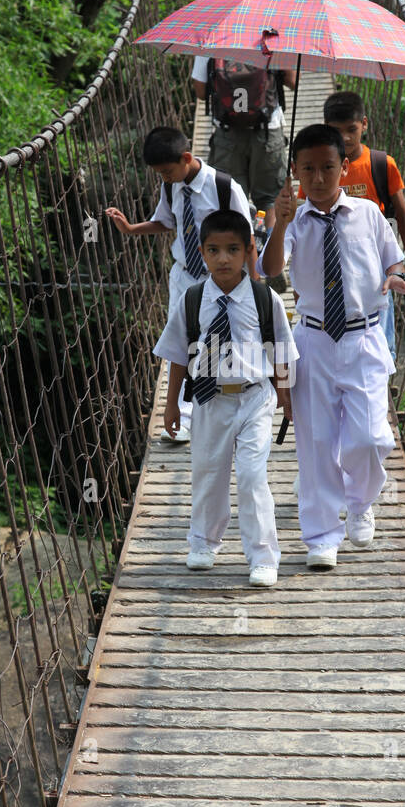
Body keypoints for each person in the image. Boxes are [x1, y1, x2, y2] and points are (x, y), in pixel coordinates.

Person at [260, 124, 405, 569]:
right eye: (307, 169)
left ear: (344, 167)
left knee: (372, 438)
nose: (317, 178)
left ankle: (359, 501)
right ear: (294, 170)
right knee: (315, 443)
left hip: (364, 338)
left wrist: (396, 279)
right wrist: (279, 223)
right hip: (312, 340)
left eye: (327, 168)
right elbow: (271, 270)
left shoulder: (369, 213)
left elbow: (390, 262)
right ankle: (321, 537)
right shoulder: (289, 217)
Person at [154, 208, 297, 587]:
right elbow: (177, 353)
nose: (223, 258)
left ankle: (263, 556)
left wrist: (286, 398)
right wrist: (172, 405)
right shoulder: (192, 299)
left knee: (251, 476)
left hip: (254, 399)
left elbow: (282, 351)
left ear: (250, 250)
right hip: (207, 399)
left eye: (233, 249)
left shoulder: (267, 299)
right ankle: (203, 541)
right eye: (214, 250)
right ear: (201, 252)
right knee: (208, 474)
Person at [106, 126, 254, 445]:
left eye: (167, 171)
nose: (163, 178)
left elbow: (248, 239)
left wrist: (251, 286)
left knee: (216, 345)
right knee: (182, 345)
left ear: (186, 158)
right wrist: (132, 229)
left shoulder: (224, 188)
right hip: (185, 275)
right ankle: (184, 417)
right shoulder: (172, 185)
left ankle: (225, 412)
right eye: (159, 173)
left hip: (220, 280)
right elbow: (167, 222)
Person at [191, 0, 296, 253]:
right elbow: (291, 80)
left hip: (226, 133)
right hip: (267, 130)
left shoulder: (210, 32)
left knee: (229, 198)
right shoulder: (270, 32)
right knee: (269, 198)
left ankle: (242, 259)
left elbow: (200, 92)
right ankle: (270, 253)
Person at [321, 91, 405, 362]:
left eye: (352, 129)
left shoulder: (381, 164)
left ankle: (381, 376)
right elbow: (305, 215)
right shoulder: (321, 168)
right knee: (334, 340)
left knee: (379, 332)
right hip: (332, 263)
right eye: (336, 131)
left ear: (364, 124)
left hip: (376, 264)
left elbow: (403, 217)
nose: (345, 138)